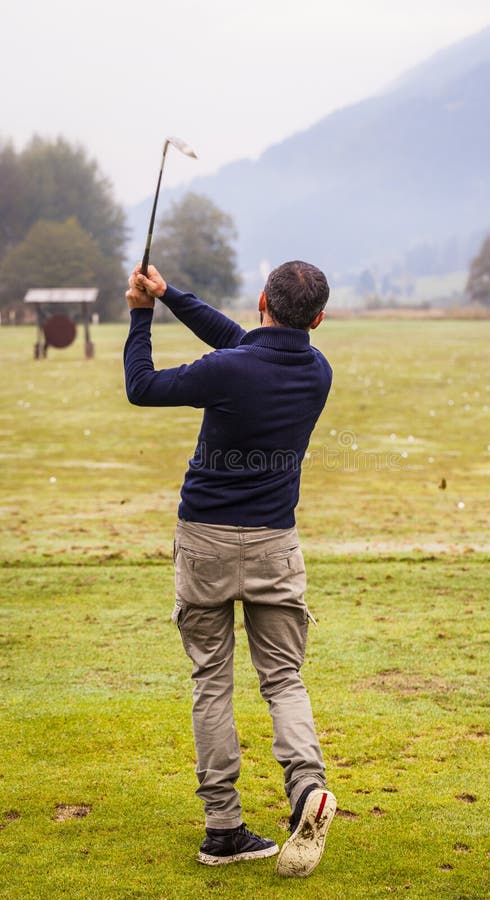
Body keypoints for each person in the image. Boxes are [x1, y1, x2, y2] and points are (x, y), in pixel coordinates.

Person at [124, 260, 337, 878]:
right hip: (275, 545)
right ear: (318, 319)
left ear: (262, 301)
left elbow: (142, 386)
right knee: (284, 680)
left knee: (211, 680)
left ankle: (223, 830)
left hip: (204, 544)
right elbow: (242, 342)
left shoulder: (229, 367)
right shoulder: (316, 370)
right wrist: (169, 295)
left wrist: (142, 313)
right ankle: (306, 790)